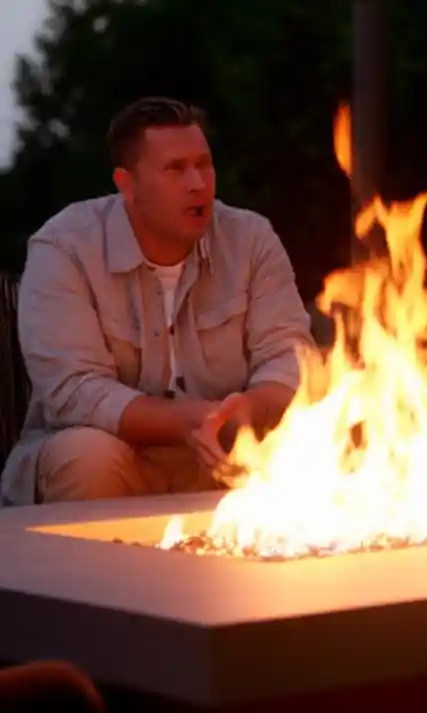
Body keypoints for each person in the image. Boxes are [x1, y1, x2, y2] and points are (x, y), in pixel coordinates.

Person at [0, 97, 314, 505]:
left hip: (228, 453)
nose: (198, 183)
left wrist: (249, 409)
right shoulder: (65, 247)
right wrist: (188, 421)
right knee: (87, 457)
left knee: (319, 446)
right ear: (126, 184)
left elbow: (290, 354)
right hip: (114, 455)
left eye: (204, 164)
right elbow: (73, 390)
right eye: (176, 169)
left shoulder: (251, 239)